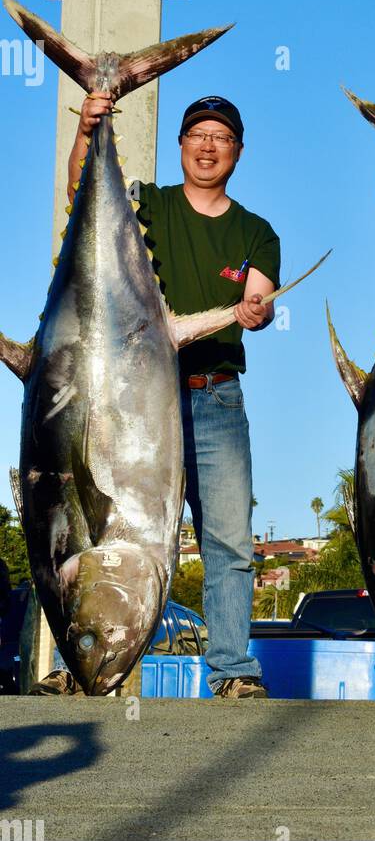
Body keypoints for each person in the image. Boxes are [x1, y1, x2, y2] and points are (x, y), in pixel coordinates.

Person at [36, 93, 280, 699]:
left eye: (221, 137)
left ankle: (231, 671)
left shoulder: (257, 231)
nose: (207, 146)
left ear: (238, 151)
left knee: (228, 541)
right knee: (100, 524)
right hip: (133, 405)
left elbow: (262, 296)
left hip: (214, 398)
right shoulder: (145, 204)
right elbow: (79, 195)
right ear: (181, 146)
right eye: (197, 134)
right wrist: (90, 130)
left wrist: (257, 309)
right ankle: (82, 654)